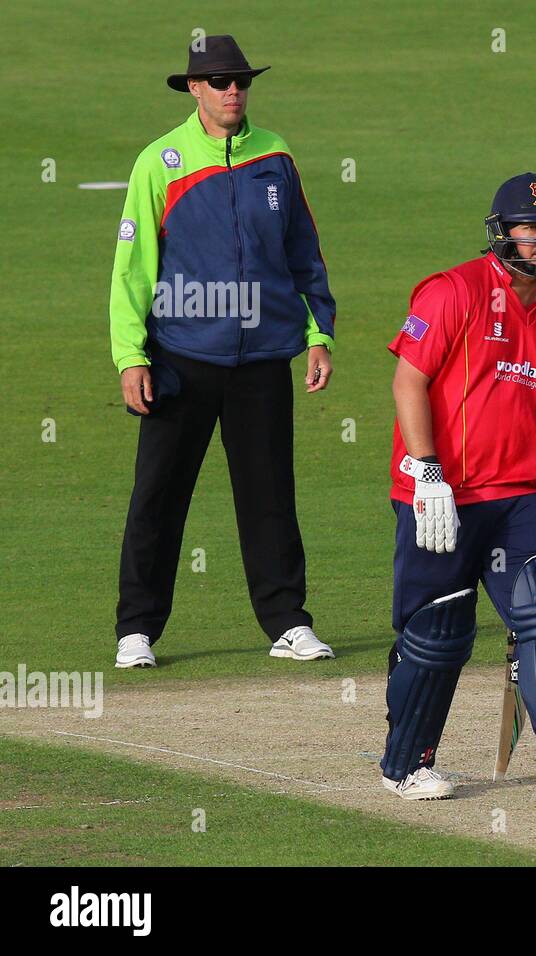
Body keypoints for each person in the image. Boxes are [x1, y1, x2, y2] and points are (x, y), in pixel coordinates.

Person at [380, 172, 536, 808]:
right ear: (502, 232)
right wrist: (426, 472)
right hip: (440, 496)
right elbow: (409, 382)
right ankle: (406, 762)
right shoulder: (452, 291)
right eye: (529, 228)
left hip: (520, 497)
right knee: (438, 636)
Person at [110, 35, 336, 669]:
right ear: (193, 89)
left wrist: (318, 334)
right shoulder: (161, 161)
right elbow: (132, 271)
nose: (232, 90)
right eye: (218, 81)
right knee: (158, 496)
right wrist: (131, 355)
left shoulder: (276, 155)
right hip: (181, 358)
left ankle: (287, 621)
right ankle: (137, 629)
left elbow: (303, 252)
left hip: (263, 357)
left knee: (269, 496)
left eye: (240, 80)